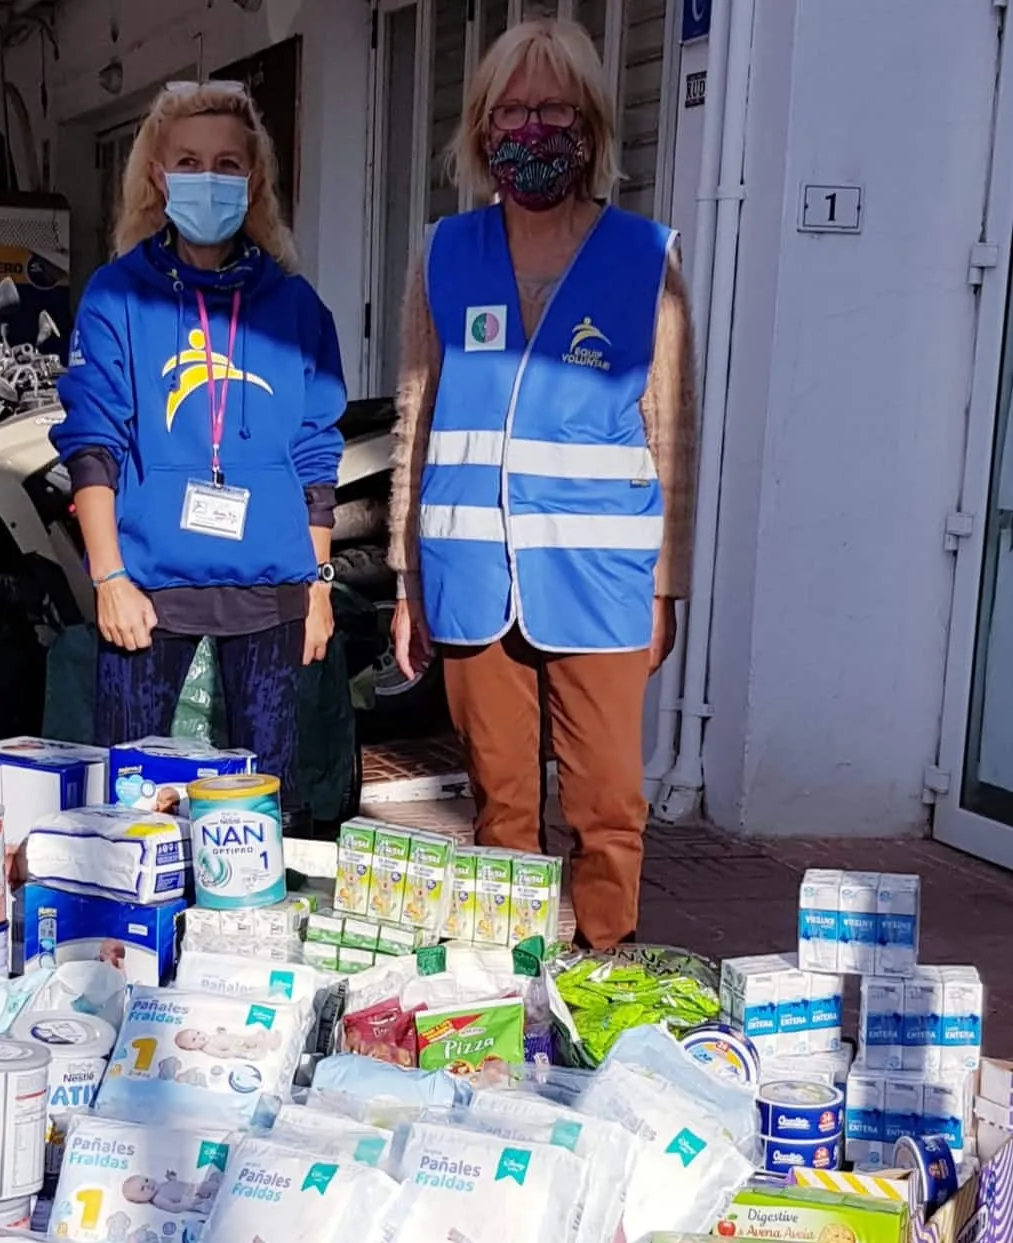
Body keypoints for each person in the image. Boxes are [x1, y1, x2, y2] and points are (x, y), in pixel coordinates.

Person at [388, 17, 697, 950]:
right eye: (511, 110)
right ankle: (507, 975)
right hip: (471, 576)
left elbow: (672, 436)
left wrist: (666, 589)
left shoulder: (645, 257)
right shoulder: (444, 252)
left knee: (607, 805)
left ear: (590, 125)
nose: (531, 129)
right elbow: (416, 420)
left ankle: (603, 969)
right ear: (481, 128)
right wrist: (407, 581)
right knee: (500, 804)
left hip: (601, 582)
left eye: (554, 110)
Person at [52, 80, 346, 822]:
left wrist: (317, 588)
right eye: (188, 162)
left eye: (226, 164)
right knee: (131, 810)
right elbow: (92, 445)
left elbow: (316, 457)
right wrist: (108, 577)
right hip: (148, 592)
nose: (206, 179)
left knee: (262, 814)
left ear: (253, 179)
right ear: (157, 175)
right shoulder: (117, 296)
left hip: (272, 592)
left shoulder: (295, 306)